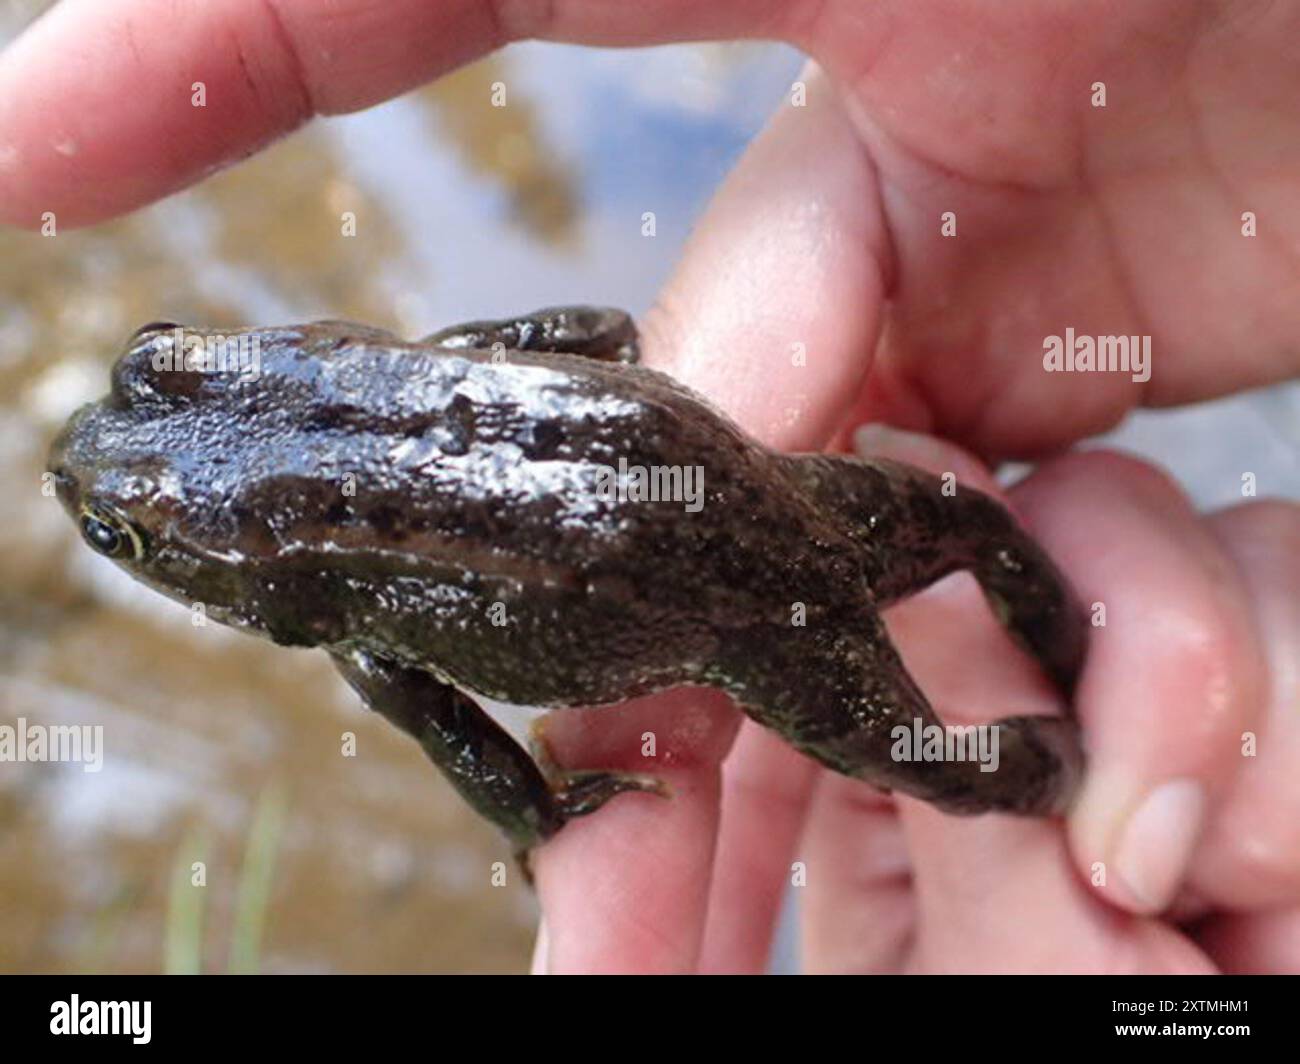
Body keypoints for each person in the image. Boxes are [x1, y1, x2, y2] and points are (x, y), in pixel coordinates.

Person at [3, 0, 1296, 975]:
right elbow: (605, 327)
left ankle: (1066, 776)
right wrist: (475, 371)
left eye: (129, 529)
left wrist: (543, 819)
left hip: (763, 605)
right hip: (768, 498)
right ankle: (1074, 697)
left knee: (944, 766)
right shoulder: (434, 394)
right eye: (131, 524)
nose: (89, 481)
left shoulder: (362, 640)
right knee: (965, 525)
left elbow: (492, 764)